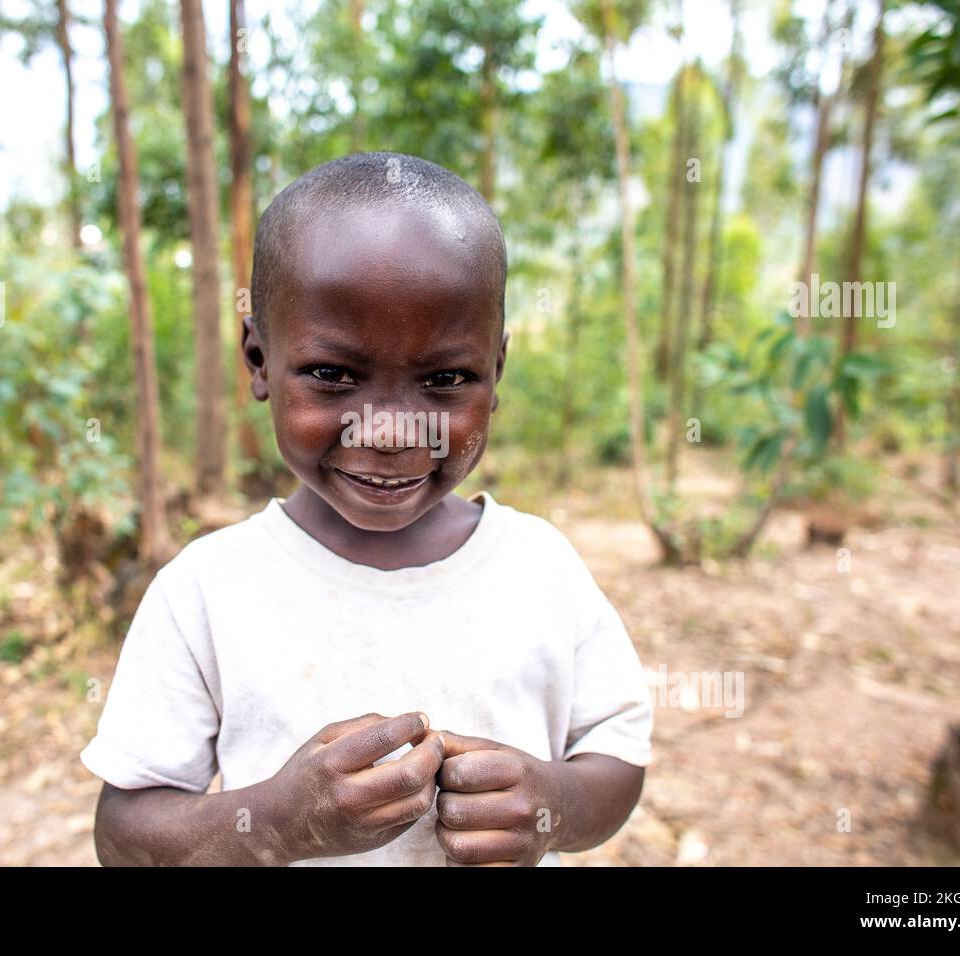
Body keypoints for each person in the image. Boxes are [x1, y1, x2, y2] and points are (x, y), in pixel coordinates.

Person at [80, 151, 653, 866]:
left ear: (495, 373)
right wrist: (282, 822)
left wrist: (551, 807)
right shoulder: (207, 591)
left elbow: (616, 756)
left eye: (445, 379)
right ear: (258, 359)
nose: (389, 430)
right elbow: (125, 835)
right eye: (332, 375)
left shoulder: (542, 569)